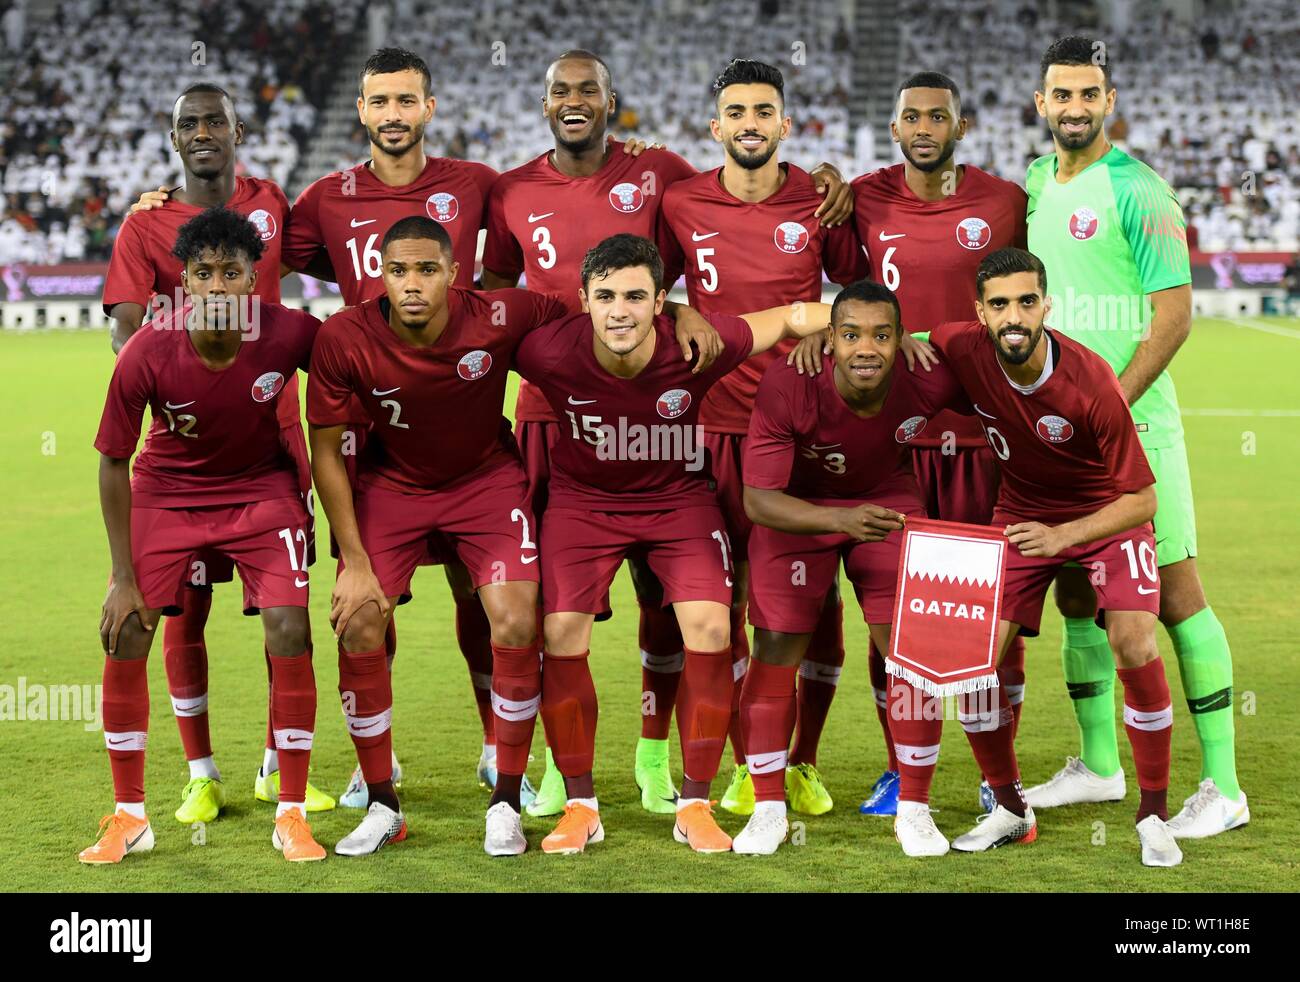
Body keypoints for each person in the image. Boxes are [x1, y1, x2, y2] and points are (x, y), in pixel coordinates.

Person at [512, 233, 836, 853]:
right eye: (604, 296)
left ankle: (695, 803)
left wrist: (857, 327)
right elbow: (465, 342)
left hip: (679, 500)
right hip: (583, 505)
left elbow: (795, 315)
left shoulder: (698, 345)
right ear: (583, 299)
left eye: (636, 296)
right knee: (559, 635)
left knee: (713, 629)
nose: (619, 311)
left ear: (662, 300)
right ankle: (581, 805)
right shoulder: (549, 350)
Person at [1023, 36, 1246, 839]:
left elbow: (1174, 315)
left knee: (1178, 595)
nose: (1075, 108)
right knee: (1079, 596)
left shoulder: (1142, 191)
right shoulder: (1036, 182)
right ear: (1041, 103)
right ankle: (1099, 767)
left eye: (1090, 95)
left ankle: (1222, 784)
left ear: (1109, 102)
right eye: (1062, 95)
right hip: (1059, 437)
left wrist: (1107, 404)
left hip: (1135, 428)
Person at [103, 83, 333, 821]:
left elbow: (329, 265)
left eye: (214, 121)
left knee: (283, 609)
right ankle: (201, 772)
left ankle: (275, 766)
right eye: (188, 125)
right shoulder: (146, 224)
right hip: (187, 439)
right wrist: (184, 358)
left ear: (238, 130)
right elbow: (125, 332)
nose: (203, 133)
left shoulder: (273, 204)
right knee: (185, 612)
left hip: (274, 438)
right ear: (173, 140)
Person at [657, 58, 870, 817]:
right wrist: (680, 310)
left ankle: (801, 761)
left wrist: (839, 184)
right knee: (728, 601)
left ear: (786, 124)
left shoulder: (818, 202)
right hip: (712, 431)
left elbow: (859, 294)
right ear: (715, 127)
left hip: (805, 431)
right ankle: (752, 764)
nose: (750, 122)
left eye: (764, 111)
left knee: (816, 608)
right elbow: (652, 285)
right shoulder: (680, 202)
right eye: (736, 111)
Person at [929, 247, 1181, 867]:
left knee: (1134, 641)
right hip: (1019, 514)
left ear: (1046, 304)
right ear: (979, 312)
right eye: (999, 305)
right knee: (971, 660)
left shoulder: (1091, 381)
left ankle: (1153, 815)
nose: (1013, 316)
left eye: (1025, 301)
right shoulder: (963, 347)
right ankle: (1010, 808)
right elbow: (908, 335)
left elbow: (1143, 499)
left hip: (1104, 512)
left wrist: (1066, 537)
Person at [738, 279, 971, 855]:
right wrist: (838, 521)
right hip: (799, 510)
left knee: (911, 650)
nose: (866, 348)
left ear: (900, 340)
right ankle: (768, 807)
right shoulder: (789, 383)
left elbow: (994, 374)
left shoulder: (929, 375)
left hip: (888, 502)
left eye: (882, 335)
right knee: (773, 650)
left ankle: (914, 808)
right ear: (829, 339)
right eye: (851, 335)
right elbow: (759, 501)